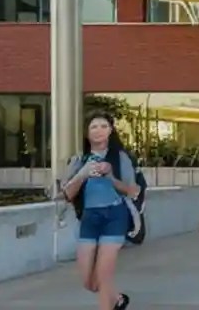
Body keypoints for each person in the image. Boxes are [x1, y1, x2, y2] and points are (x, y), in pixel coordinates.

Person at [61, 111, 140, 310]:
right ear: (87, 133)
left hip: (115, 215)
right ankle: (118, 300)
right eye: (94, 127)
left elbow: (132, 190)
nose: (99, 131)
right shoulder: (79, 160)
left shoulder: (120, 157)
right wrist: (83, 173)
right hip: (90, 218)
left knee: (104, 275)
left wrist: (110, 175)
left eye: (104, 126)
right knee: (90, 282)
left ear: (111, 130)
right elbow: (67, 194)